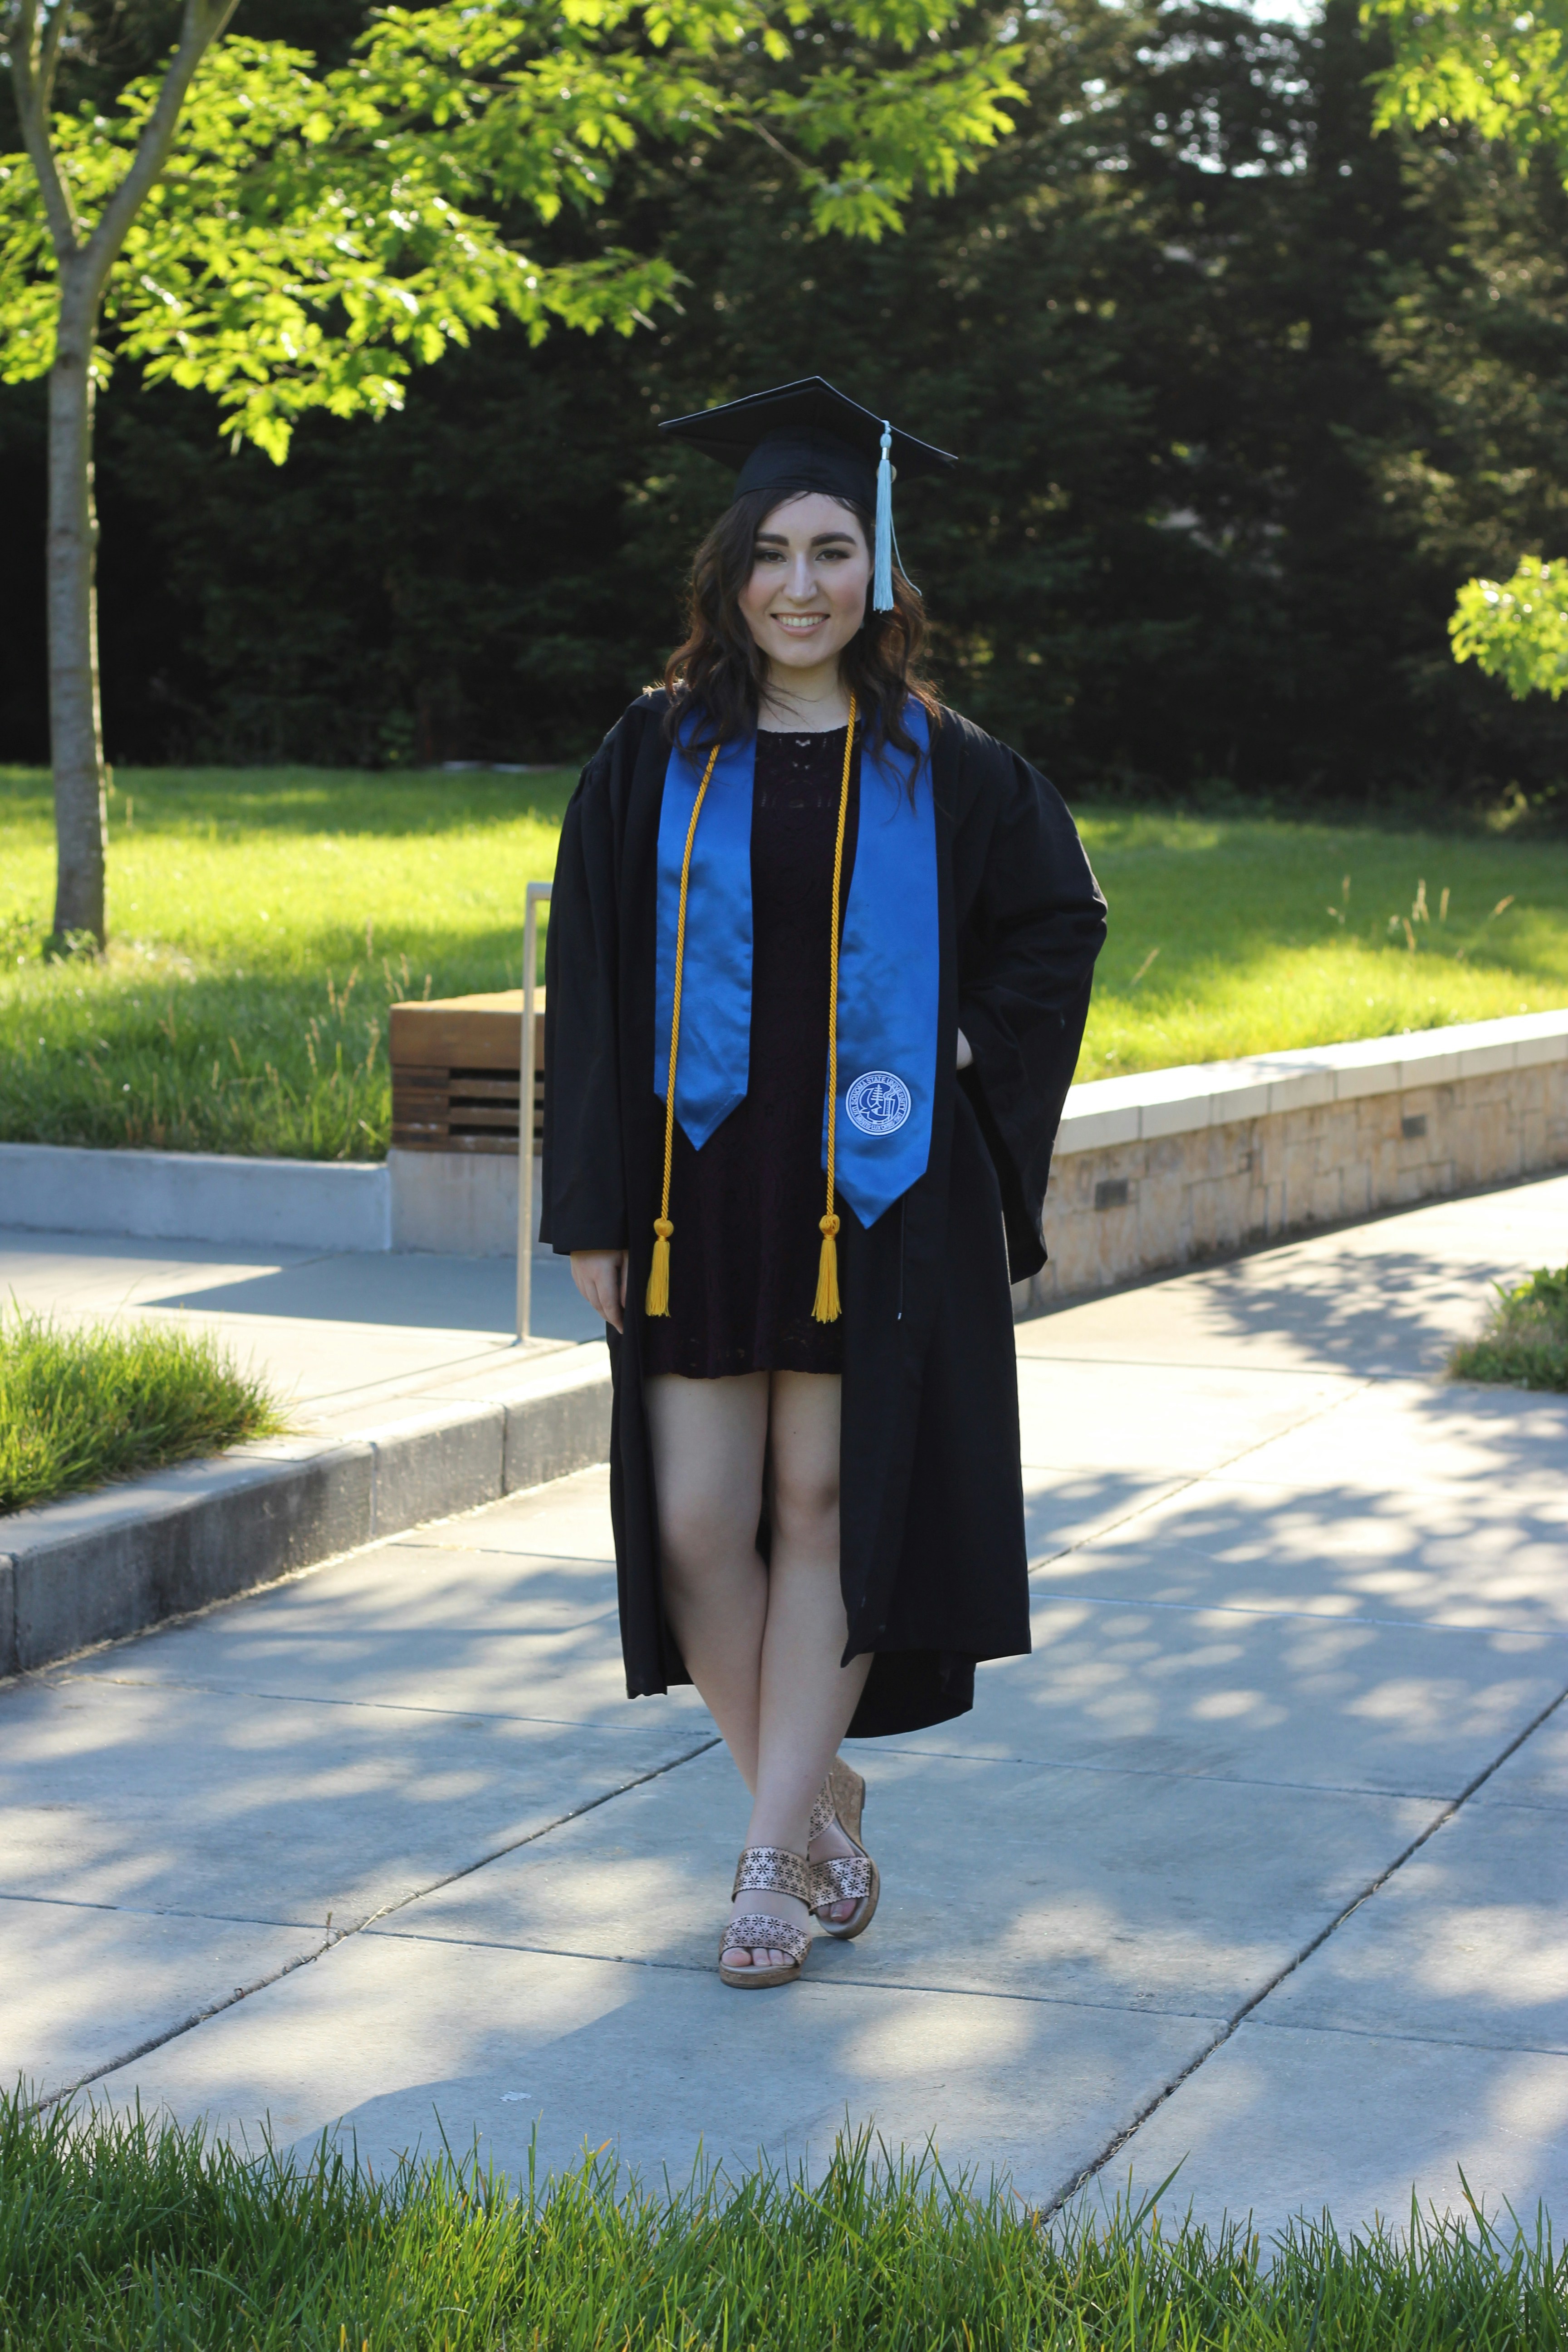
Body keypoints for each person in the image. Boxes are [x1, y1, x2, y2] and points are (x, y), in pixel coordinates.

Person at [541, 378, 1106, 1989]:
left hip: (878, 1192)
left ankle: (770, 1862)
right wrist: (587, 1204)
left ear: (881, 572)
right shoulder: (653, 757)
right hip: (687, 1190)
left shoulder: (950, 766)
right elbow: (589, 983)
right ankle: (819, 1783)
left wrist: (963, 1058)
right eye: (774, 553)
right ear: (728, 576)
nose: (804, 585)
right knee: (702, 1519)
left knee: (821, 1510)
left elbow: (1058, 929)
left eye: (835, 550)